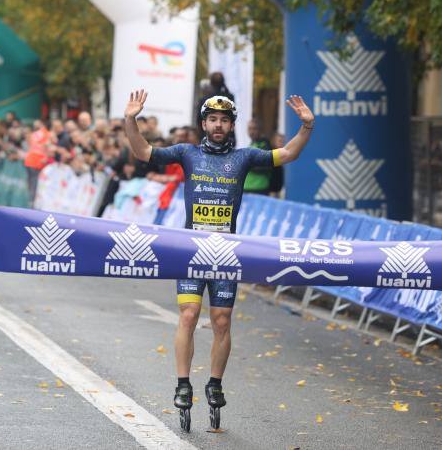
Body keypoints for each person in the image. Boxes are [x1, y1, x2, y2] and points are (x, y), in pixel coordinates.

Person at [123, 89, 315, 422]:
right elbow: (142, 152)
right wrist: (130, 119)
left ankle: (214, 383)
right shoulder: (187, 152)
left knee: (222, 321)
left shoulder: (244, 158)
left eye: (224, 120)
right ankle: (183, 383)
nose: (218, 125)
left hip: (226, 253)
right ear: (203, 123)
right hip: (191, 250)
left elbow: (287, 154)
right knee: (188, 315)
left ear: (231, 125)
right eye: (212, 119)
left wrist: (307, 127)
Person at [243, 119, 272, 195]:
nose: (251, 131)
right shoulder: (252, 144)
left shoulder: (264, 145)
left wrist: (248, 165)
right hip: (248, 187)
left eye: (254, 128)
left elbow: (267, 166)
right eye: (249, 129)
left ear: (260, 130)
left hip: (259, 188)